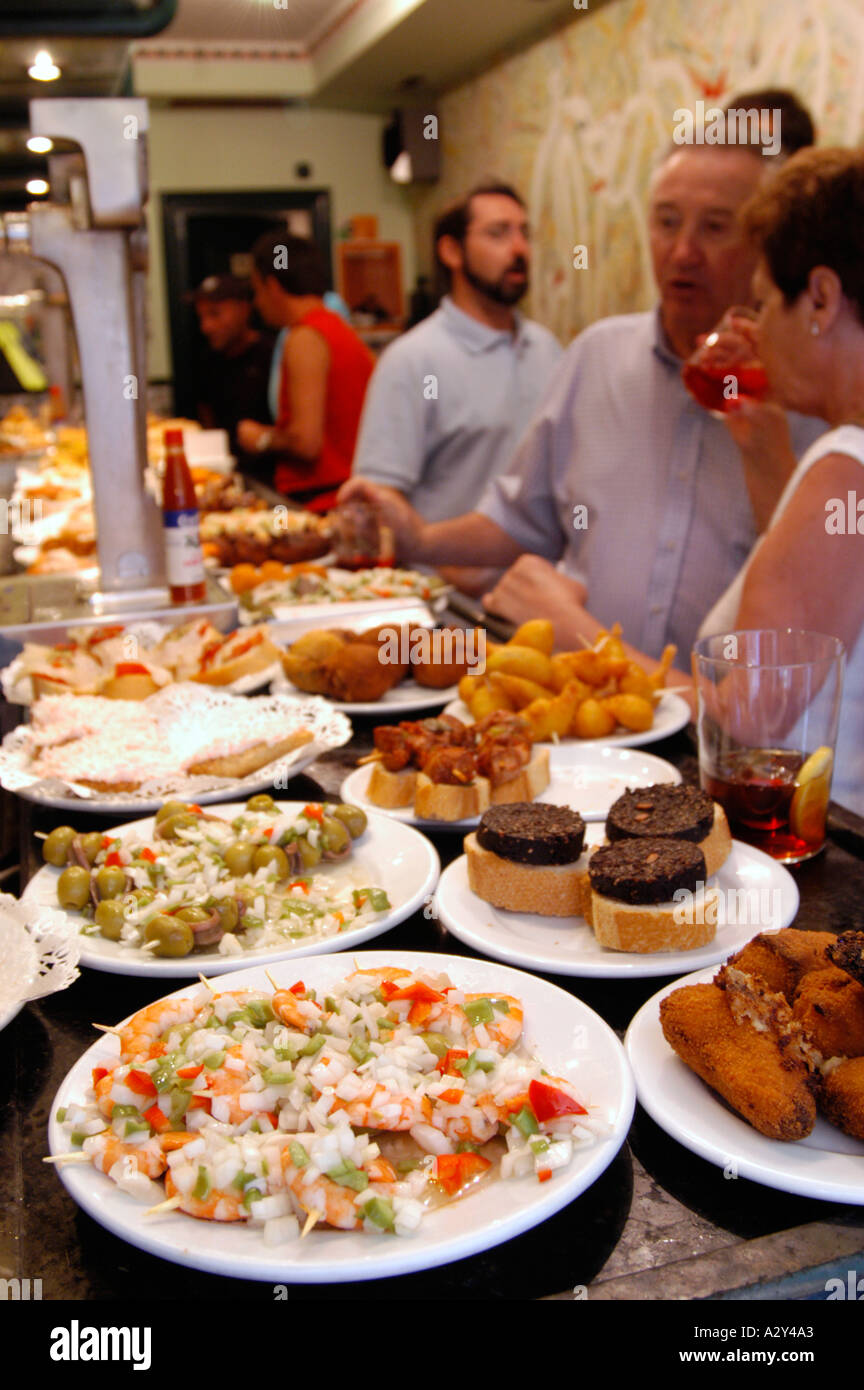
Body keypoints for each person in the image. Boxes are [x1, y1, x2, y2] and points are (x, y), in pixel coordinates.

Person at [340, 143, 823, 670]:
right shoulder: (595, 356)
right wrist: (422, 537)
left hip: (733, 733)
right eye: (666, 222)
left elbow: (821, 596)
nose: (683, 251)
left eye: (715, 227)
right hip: (590, 715)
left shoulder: (806, 395)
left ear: (761, 244)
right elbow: (525, 516)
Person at [698, 147, 864, 814]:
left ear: (820, 297)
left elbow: (753, 718)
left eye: (764, 303)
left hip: (819, 842)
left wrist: (578, 636)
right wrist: (765, 452)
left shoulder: (843, 467)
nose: (756, 331)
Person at [350, 183, 562, 592]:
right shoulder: (413, 361)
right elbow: (377, 503)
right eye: (498, 233)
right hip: (450, 614)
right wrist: (448, 559)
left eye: (524, 233)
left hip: (541, 603)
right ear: (451, 252)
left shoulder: (549, 350)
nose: (519, 249)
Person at [238, 231, 375, 512]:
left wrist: (259, 438)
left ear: (273, 285)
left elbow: (306, 442)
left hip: (325, 500)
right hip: (349, 496)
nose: (257, 303)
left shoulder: (305, 337)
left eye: (256, 290)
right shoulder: (339, 329)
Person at [190, 274, 276, 467]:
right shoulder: (206, 362)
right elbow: (207, 421)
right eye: (201, 317)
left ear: (244, 309)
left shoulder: (273, 353)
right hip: (225, 471)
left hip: (271, 476)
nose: (206, 326)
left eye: (215, 314)